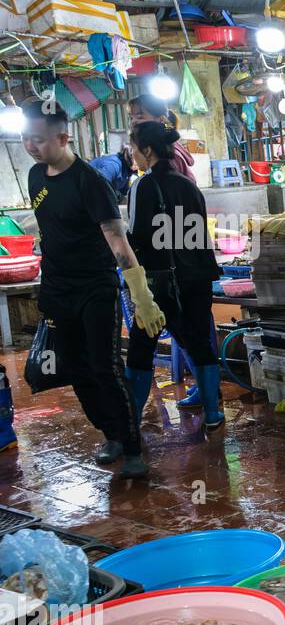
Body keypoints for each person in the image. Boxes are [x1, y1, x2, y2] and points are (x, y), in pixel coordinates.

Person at [22, 99, 166, 479]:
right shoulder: (37, 177)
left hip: (95, 288)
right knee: (76, 368)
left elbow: (118, 243)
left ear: (64, 137)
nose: (31, 146)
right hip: (57, 288)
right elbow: (49, 227)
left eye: (38, 139)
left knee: (105, 367)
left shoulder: (90, 182)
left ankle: (132, 446)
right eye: (25, 138)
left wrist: (142, 296)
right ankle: (111, 434)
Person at [123, 121, 225, 432]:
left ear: (148, 150)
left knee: (142, 347)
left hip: (160, 284)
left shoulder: (142, 186)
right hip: (197, 278)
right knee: (198, 342)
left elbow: (136, 237)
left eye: (134, 148)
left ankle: (131, 421)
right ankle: (212, 414)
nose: (132, 155)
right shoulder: (189, 184)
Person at [128, 94, 196, 183]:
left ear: (161, 120)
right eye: (131, 117)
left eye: (140, 117)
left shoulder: (170, 156)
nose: (133, 122)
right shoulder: (157, 147)